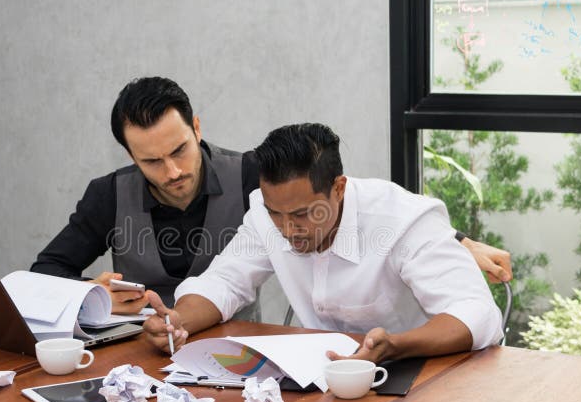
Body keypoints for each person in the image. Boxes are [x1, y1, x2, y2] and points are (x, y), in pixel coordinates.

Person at [31, 77, 511, 317]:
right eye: (152, 161)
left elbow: (351, 196)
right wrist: (91, 295)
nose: (172, 171)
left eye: (179, 150)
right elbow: (45, 271)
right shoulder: (108, 195)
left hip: (234, 351)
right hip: (142, 351)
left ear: (196, 128)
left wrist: (453, 241)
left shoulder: (250, 174)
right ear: (129, 155)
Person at [143, 123, 504, 362]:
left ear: (339, 188)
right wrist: (178, 320)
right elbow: (224, 282)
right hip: (326, 383)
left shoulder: (401, 221)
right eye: (275, 213)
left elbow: (478, 313)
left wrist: (395, 346)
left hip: (424, 375)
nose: (287, 229)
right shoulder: (265, 215)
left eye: (303, 214)